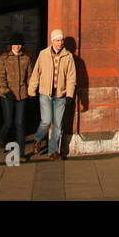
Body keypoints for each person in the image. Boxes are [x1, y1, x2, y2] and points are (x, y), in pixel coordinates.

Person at [28, 28, 77, 160]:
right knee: (46, 121)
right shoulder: (43, 54)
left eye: (61, 40)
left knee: (58, 124)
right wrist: (31, 91)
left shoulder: (68, 56)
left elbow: (71, 77)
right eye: (57, 40)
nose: (60, 43)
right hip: (45, 93)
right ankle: (38, 139)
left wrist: (70, 95)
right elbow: (36, 73)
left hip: (60, 94)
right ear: (52, 41)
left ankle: (53, 151)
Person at [0, 32, 33, 155]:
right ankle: (1, 140)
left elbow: (30, 76)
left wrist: (30, 90)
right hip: (8, 95)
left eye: (19, 44)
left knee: (20, 123)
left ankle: (20, 151)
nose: (17, 47)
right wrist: (5, 91)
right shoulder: (4, 58)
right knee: (8, 122)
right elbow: (0, 77)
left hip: (22, 95)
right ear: (10, 45)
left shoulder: (26, 58)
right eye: (15, 44)